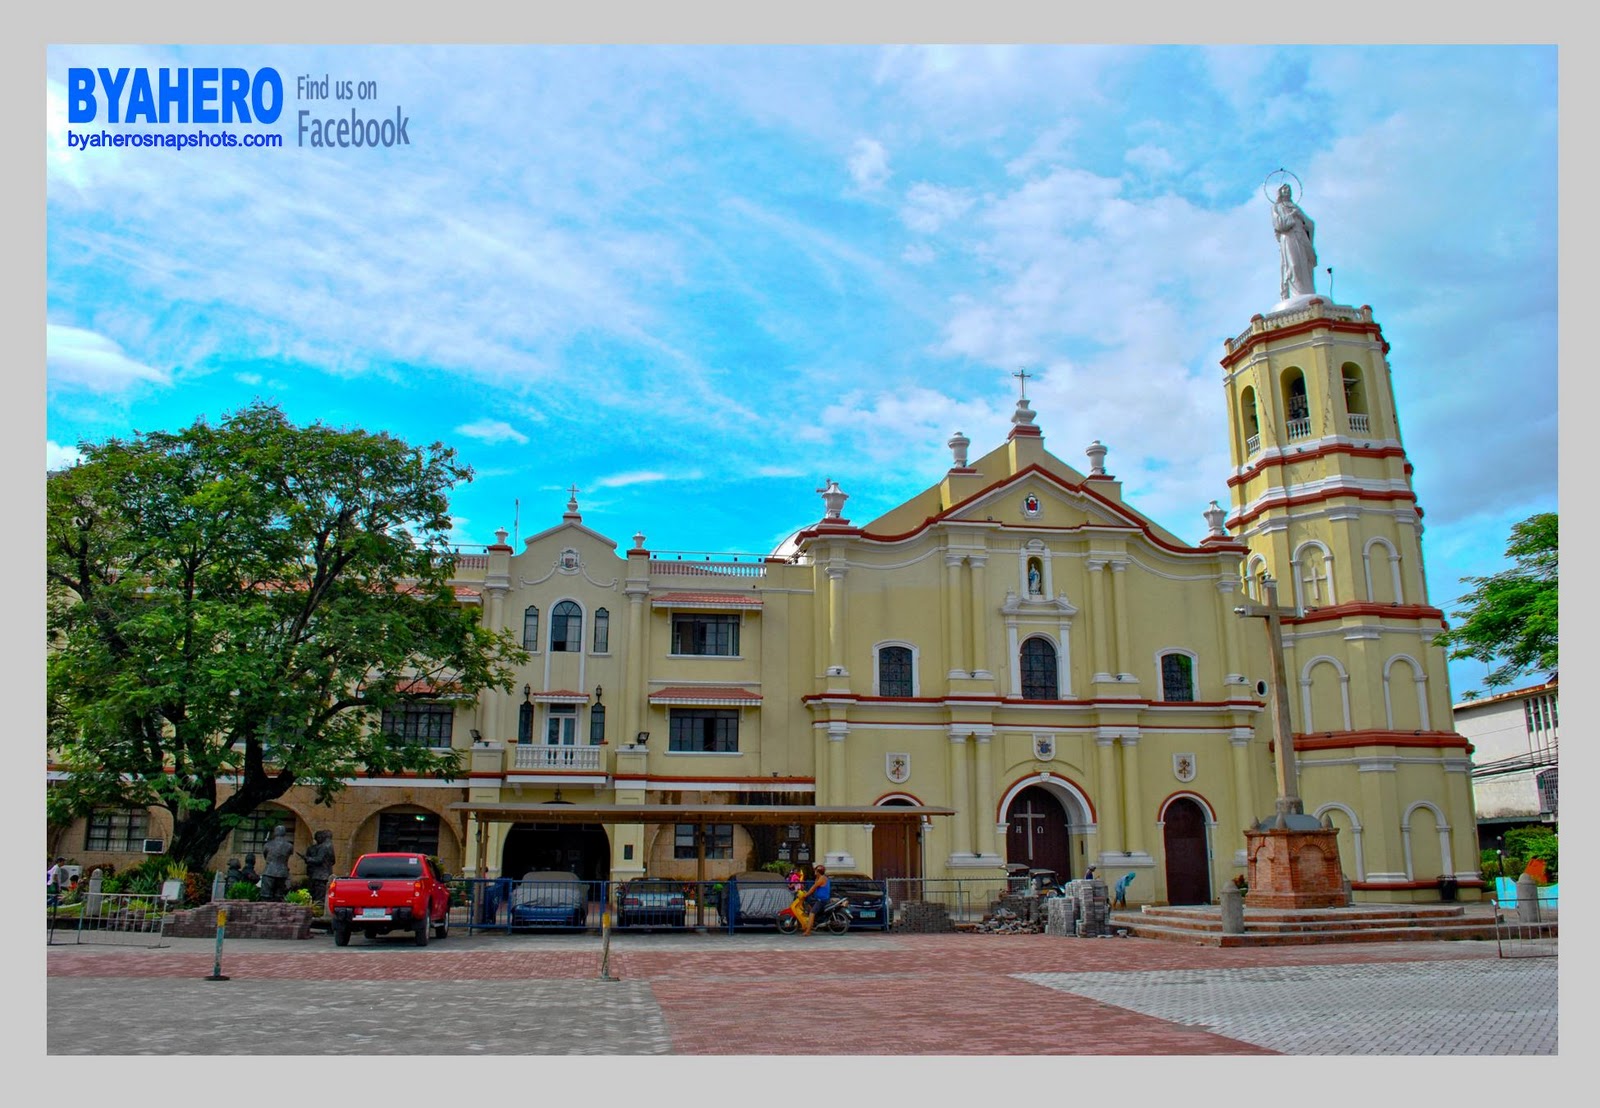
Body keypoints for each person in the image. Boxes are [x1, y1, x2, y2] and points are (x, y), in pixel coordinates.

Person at [1271, 182, 1317, 301]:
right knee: (1293, 265)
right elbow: (1279, 225)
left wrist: (1301, 217)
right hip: (1288, 238)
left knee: (1305, 265)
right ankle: (1296, 295)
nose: (1287, 190)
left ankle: (1308, 293)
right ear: (1279, 192)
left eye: (1289, 188)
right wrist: (1292, 215)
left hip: (1301, 237)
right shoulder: (1277, 207)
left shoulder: (1295, 207)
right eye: (1284, 188)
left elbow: (1310, 224)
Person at [259, 824, 295, 901]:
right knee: (279, 896)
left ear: (275, 832)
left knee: (266, 896)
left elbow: (265, 857)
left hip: (269, 871)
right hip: (282, 872)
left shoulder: (268, 845)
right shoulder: (289, 846)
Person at [300, 829, 336, 903]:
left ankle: (318, 908)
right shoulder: (330, 846)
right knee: (322, 893)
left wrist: (307, 858)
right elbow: (333, 861)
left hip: (320, 875)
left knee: (319, 896)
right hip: (326, 873)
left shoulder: (323, 847)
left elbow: (318, 860)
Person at [799, 864, 831, 936]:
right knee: (809, 905)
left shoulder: (822, 879)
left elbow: (813, 888)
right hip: (819, 899)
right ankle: (812, 924)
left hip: (821, 900)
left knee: (812, 913)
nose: (814, 872)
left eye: (815, 871)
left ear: (818, 872)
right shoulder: (821, 878)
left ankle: (808, 932)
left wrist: (806, 895)